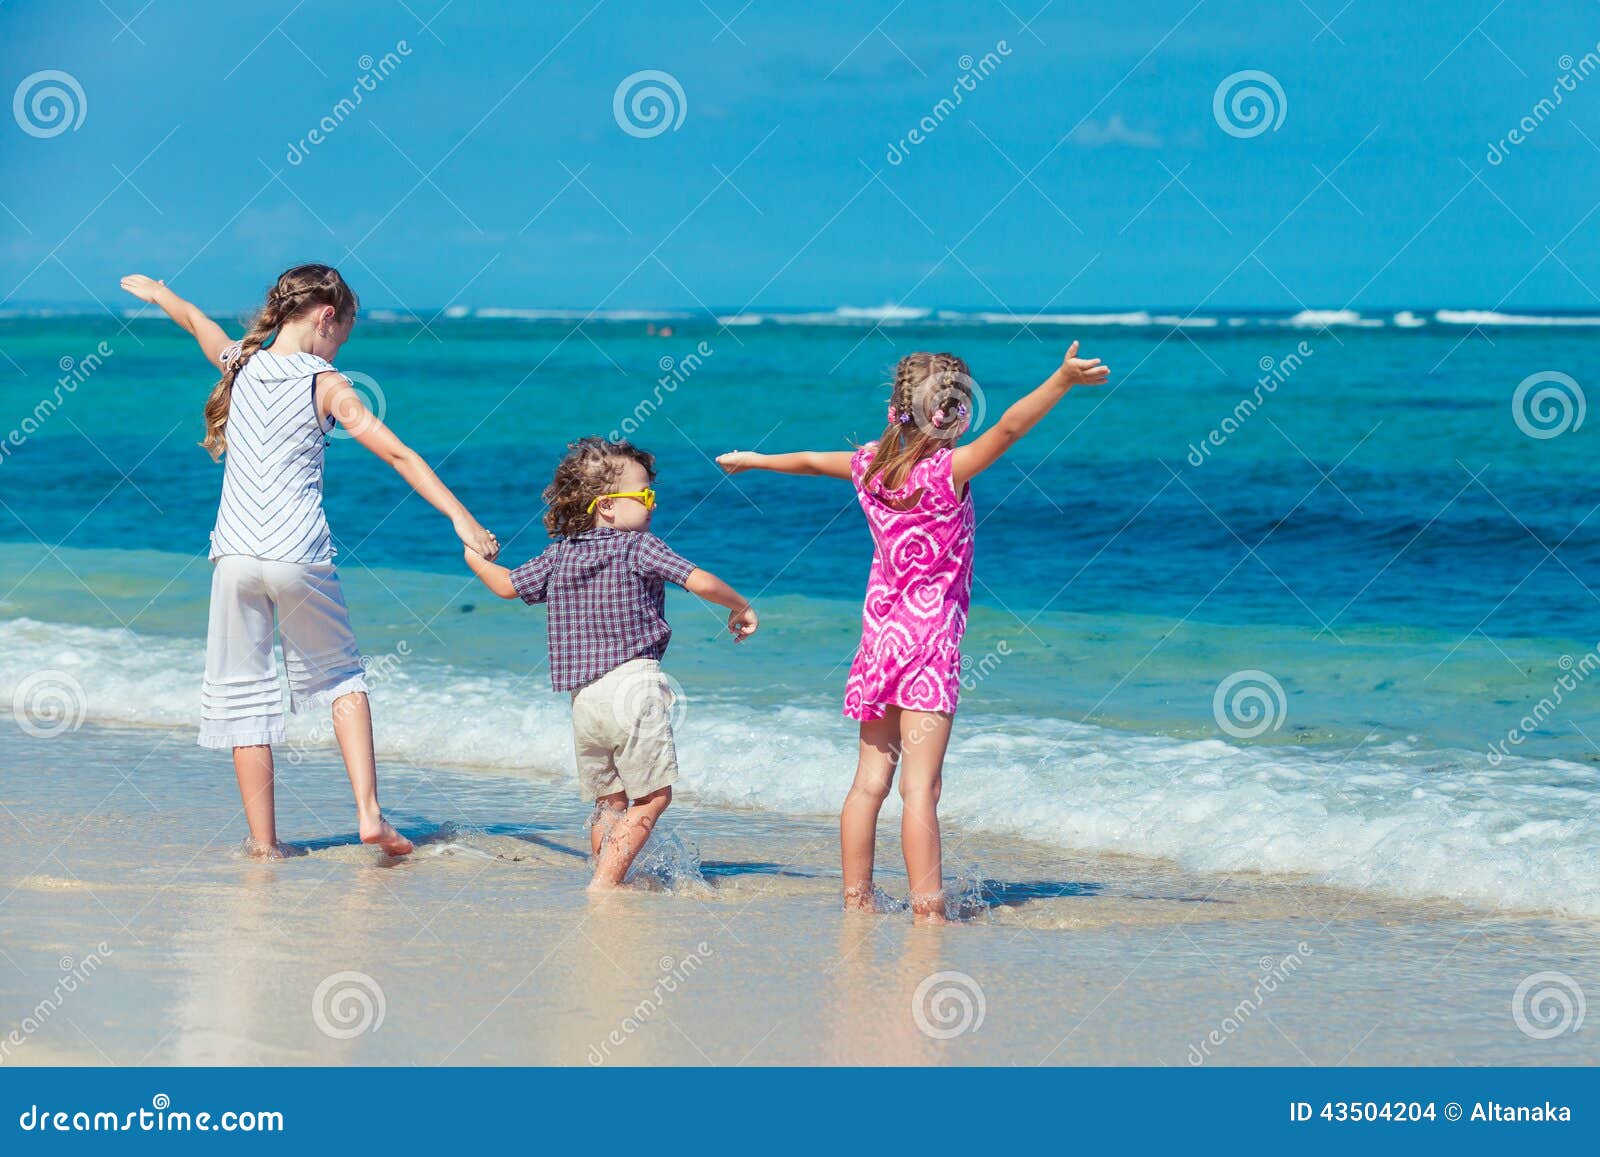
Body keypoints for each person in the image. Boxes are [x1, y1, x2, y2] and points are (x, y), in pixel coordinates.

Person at [716, 344, 1110, 921]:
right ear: (955, 411)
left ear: (898, 404)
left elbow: (807, 460)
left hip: (879, 639)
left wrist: (755, 459)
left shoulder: (869, 465)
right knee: (920, 790)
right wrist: (1061, 380)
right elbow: (1011, 428)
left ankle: (858, 901)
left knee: (869, 784)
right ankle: (927, 911)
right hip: (928, 646)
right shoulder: (949, 471)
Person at [119, 265, 500, 858]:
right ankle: (370, 815)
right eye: (343, 332)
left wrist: (161, 293)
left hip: (236, 555)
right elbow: (398, 454)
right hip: (297, 552)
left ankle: (264, 844)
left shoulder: (239, 363)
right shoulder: (327, 383)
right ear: (327, 317)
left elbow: (196, 321)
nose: (340, 344)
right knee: (343, 677)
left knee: (245, 698)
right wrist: (461, 517)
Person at [463, 435, 757, 888]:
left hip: (585, 700)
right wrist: (739, 605)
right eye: (645, 495)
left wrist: (473, 556)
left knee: (610, 801)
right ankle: (605, 884)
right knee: (654, 797)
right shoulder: (639, 546)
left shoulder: (560, 554)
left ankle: (607, 875)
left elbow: (506, 586)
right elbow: (698, 581)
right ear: (607, 507)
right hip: (633, 687)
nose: (652, 505)